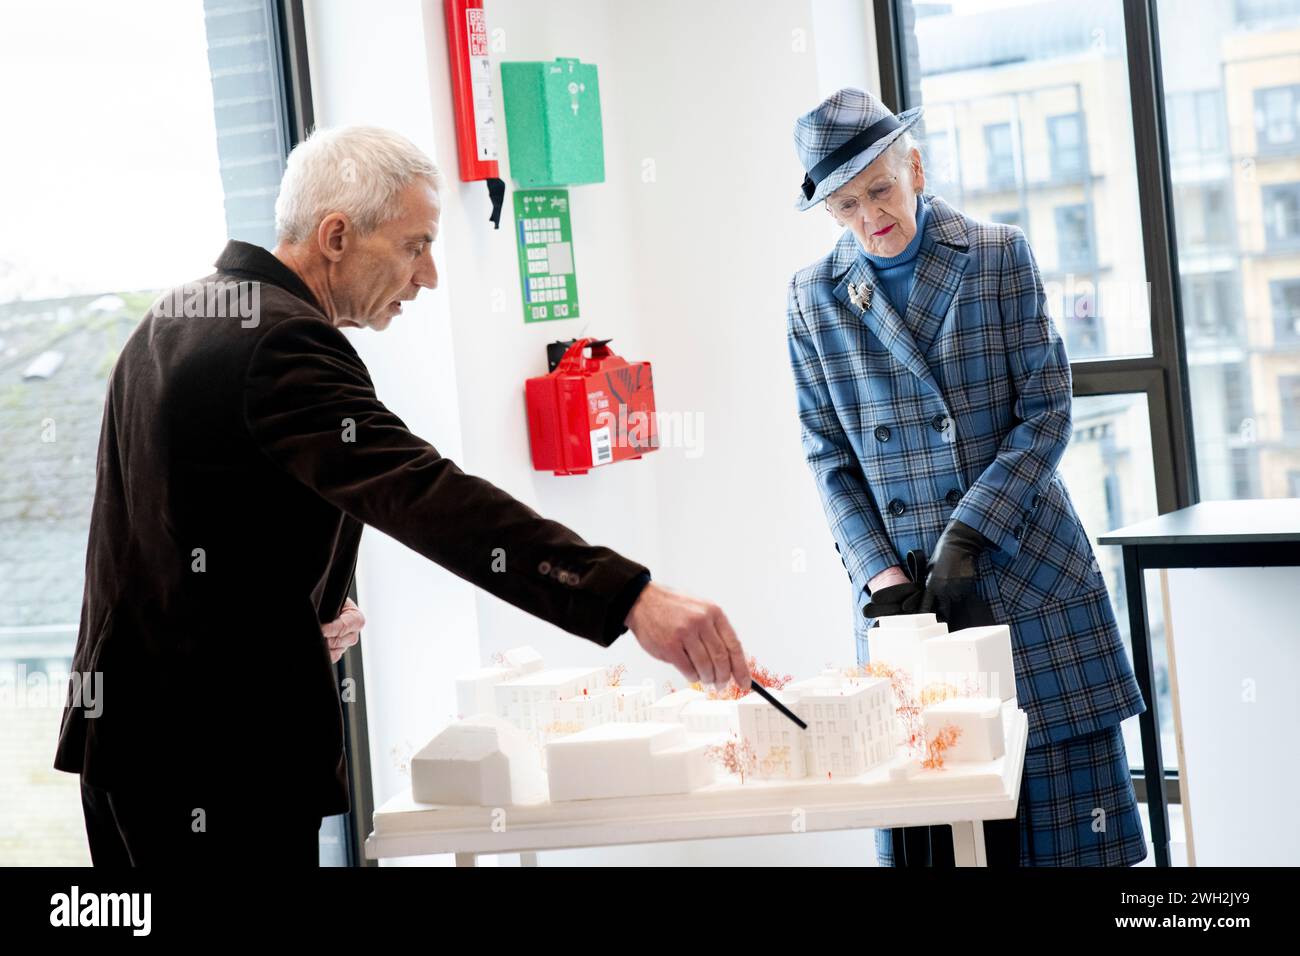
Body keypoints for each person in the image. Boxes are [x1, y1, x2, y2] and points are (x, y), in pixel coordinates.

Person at [55, 125, 751, 866]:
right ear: (335, 235)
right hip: (220, 769)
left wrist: (288, 623)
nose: (429, 277)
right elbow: (424, 494)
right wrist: (628, 596)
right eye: (416, 245)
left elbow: (158, 543)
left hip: (129, 748)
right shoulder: (281, 343)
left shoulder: (178, 316)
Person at [786, 89, 1148, 866]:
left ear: (913, 167)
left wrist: (969, 534)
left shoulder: (996, 254)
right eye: (846, 205)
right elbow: (828, 457)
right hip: (912, 604)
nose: (870, 216)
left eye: (880, 189)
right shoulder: (811, 300)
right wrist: (881, 578)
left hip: (1025, 575)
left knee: (1067, 837)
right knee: (939, 832)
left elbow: (1047, 410)